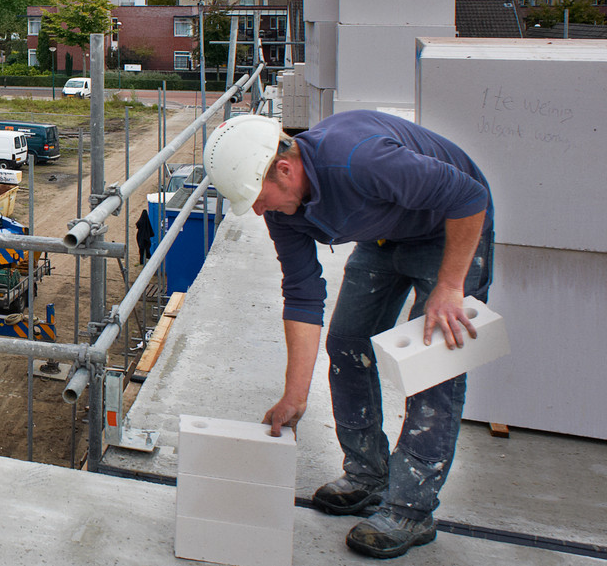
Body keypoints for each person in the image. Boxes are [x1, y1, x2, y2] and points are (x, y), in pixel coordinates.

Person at [202, 111, 494, 559]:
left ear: (284, 168)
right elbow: (302, 294)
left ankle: (410, 510)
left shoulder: (359, 160)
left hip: (446, 228)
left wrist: (450, 286)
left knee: (433, 357)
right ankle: (366, 475)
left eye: (257, 198)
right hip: (384, 235)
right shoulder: (285, 210)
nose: (257, 210)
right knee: (347, 343)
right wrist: (294, 396)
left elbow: (468, 196)